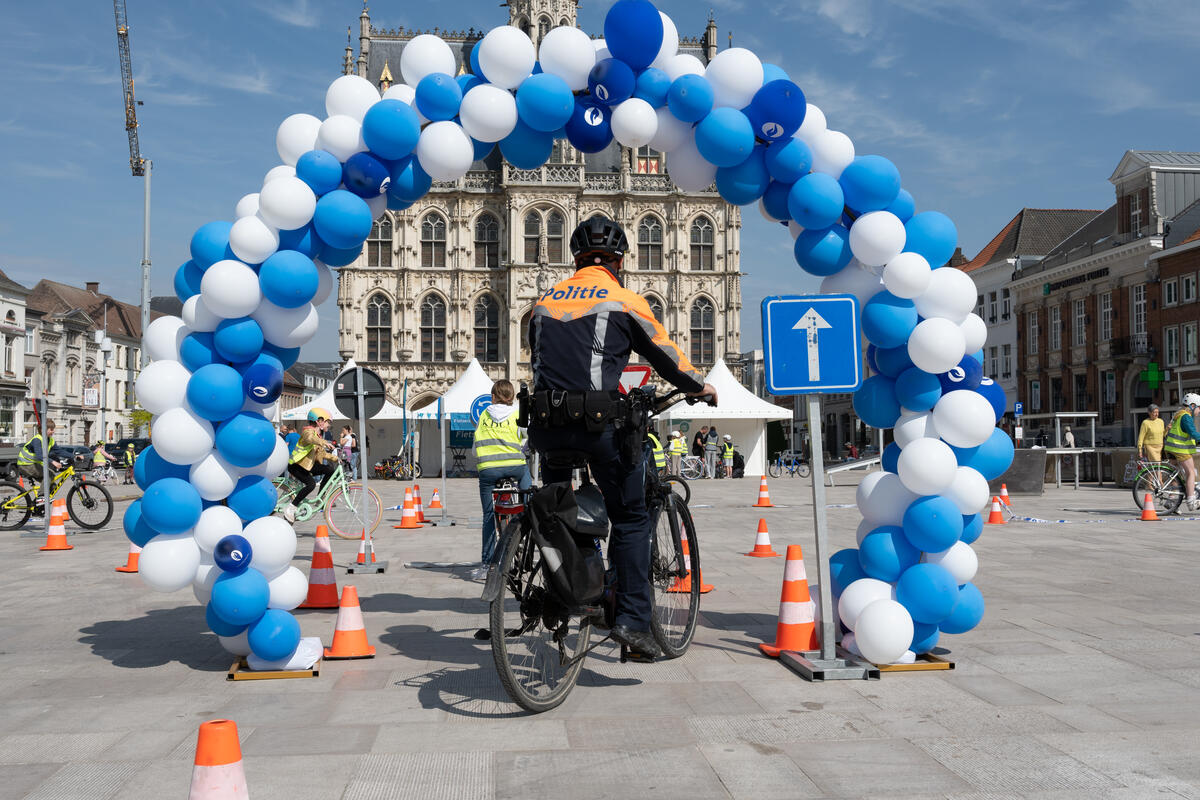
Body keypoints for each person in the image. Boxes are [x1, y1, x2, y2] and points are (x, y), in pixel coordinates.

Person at [525, 216, 717, 658]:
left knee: (558, 510)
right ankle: (631, 621)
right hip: (597, 425)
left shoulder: (544, 303)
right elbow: (666, 357)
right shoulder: (622, 299)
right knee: (631, 518)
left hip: (545, 427)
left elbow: (543, 363)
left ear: (575, 260)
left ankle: (571, 591)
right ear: (619, 261)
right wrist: (698, 386)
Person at [472, 379, 532, 585]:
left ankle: (486, 565)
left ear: (493, 397)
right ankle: (527, 518)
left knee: (488, 515)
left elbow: (475, 444)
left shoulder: (483, 414)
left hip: (488, 470)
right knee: (528, 488)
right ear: (512, 396)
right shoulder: (517, 413)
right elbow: (527, 438)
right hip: (515, 467)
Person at [283, 407, 338, 523]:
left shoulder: (318, 437)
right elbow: (309, 438)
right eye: (328, 422)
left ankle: (320, 498)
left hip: (307, 465)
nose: (329, 425)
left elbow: (322, 454)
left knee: (329, 469)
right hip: (296, 465)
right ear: (319, 421)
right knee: (311, 484)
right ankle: (291, 507)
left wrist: (336, 458)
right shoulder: (308, 432)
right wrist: (324, 442)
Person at [1164, 394, 1200, 511]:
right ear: (1193, 405)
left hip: (1170, 448)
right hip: (1180, 449)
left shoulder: (1178, 415)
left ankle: (1171, 501)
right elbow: (1193, 433)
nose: (1199, 411)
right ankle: (1191, 502)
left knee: (1175, 474)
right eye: (1199, 407)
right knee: (1191, 473)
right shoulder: (1186, 417)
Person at [18, 420, 63, 510]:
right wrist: (53, 462)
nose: (53, 431)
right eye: (51, 429)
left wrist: (75, 456)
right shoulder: (37, 440)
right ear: (43, 430)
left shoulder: (50, 440)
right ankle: (41, 497)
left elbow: (59, 451)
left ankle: (36, 507)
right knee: (49, 474)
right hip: (25, 464)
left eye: (53, 429)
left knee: (52, 486)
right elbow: (39, 455)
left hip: (34, 465)